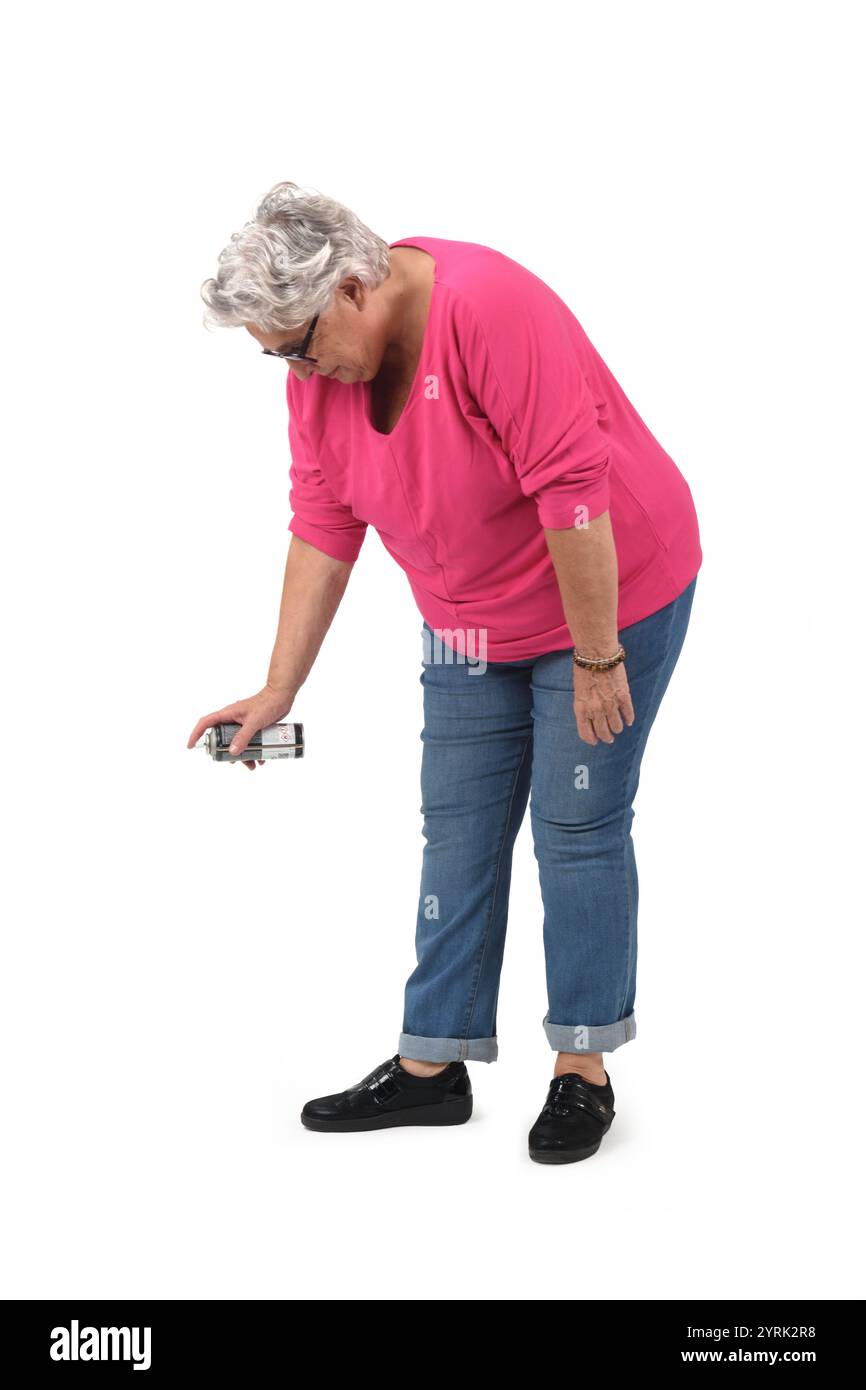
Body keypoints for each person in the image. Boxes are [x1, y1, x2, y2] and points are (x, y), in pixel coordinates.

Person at [189, 181, 702, 1164]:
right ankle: (432, 1065)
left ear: (347, 289)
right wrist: (277, 688)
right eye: (276, 356)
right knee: (457, 827)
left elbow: (572, 489)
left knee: (574, 826)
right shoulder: (316, 376)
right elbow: (323, 522)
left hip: (606, 594)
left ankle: (581, 1066)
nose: (293, 371)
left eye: (295, 345)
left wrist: (596, 657)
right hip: (467, 623)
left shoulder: (488, 309)